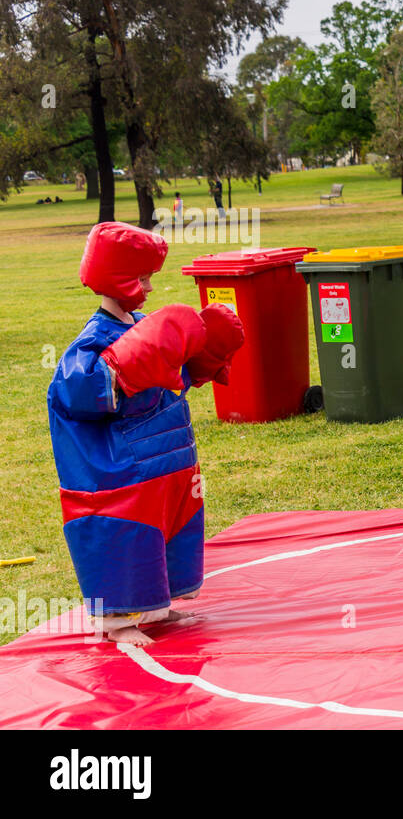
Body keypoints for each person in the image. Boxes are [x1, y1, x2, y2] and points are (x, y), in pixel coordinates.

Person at [48, 222, 244, 645]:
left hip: (165, 466)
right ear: (115, 276)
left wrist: (203, 358)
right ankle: (117, 622)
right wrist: (118, 370)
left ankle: (157, 604)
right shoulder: (93, 341)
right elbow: (74, 393)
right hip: (125, 475)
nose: (150, 287)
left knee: (167, 532)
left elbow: (168, 381)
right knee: (128, 536)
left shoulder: (142, 326)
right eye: (141, 278)